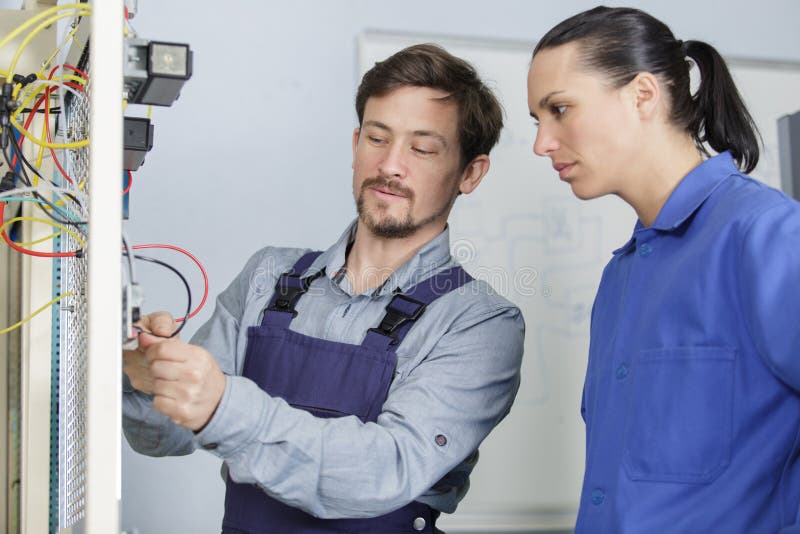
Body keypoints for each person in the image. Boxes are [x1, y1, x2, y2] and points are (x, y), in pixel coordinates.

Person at [122, 43, 524, 534]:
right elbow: (166, 435)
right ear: (356, 144)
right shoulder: (268, 277)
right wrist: (146, 379)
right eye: (377, 138)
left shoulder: (479, 324)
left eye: (422, 148)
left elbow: (386, 470)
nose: (391, 165)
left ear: (470, 173)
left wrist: (224, 405)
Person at [526, 6, 800, 533]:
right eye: (537, 121)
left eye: (560, 109)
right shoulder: (620, 279)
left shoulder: (765, 237)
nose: (542, 143)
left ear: (643, 95)